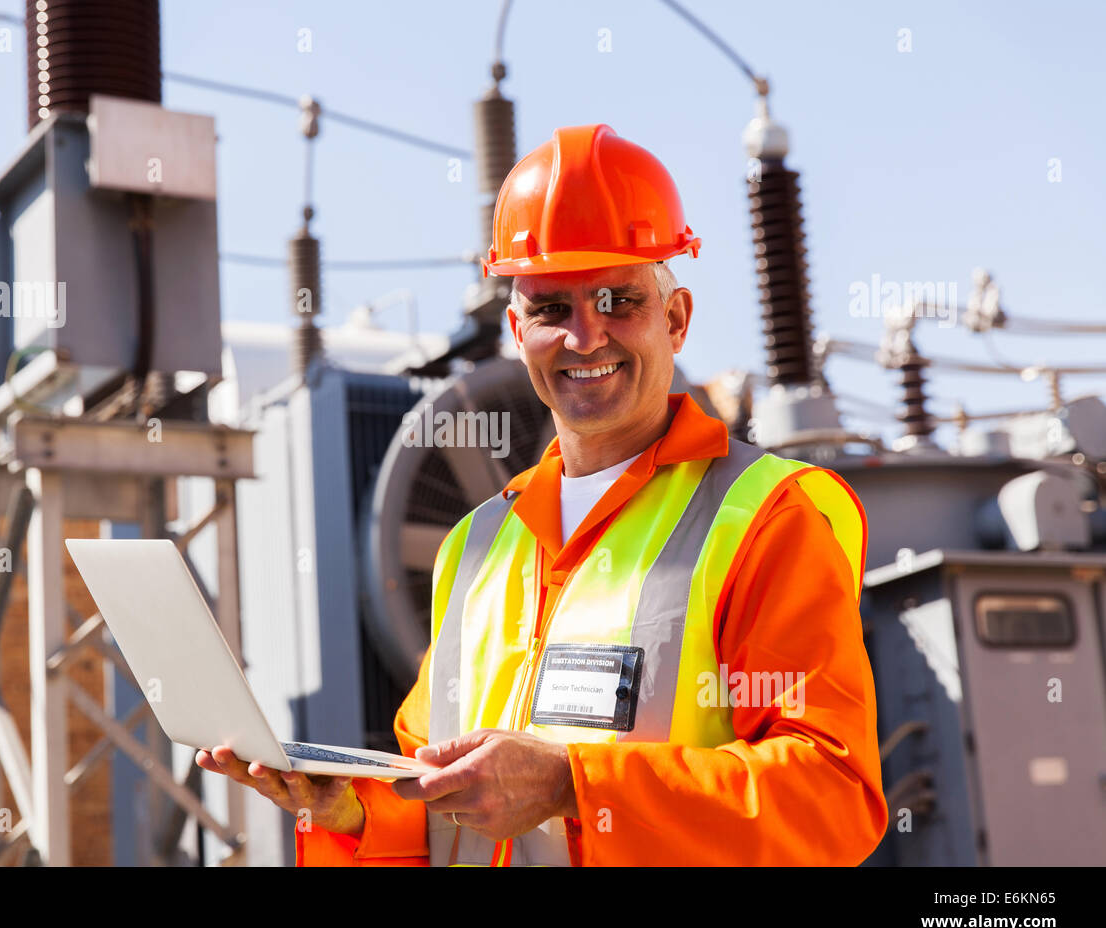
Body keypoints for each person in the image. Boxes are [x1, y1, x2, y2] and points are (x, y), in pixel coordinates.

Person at [198, 123, 888, 866]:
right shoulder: (476, 546)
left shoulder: (767, 517)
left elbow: (832, 799)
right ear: (516, 329)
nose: (585, 337)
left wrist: (575, 784)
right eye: (553, 310)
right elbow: (439, 804)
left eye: (618, 300)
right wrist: (355, 813)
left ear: (676, 319)